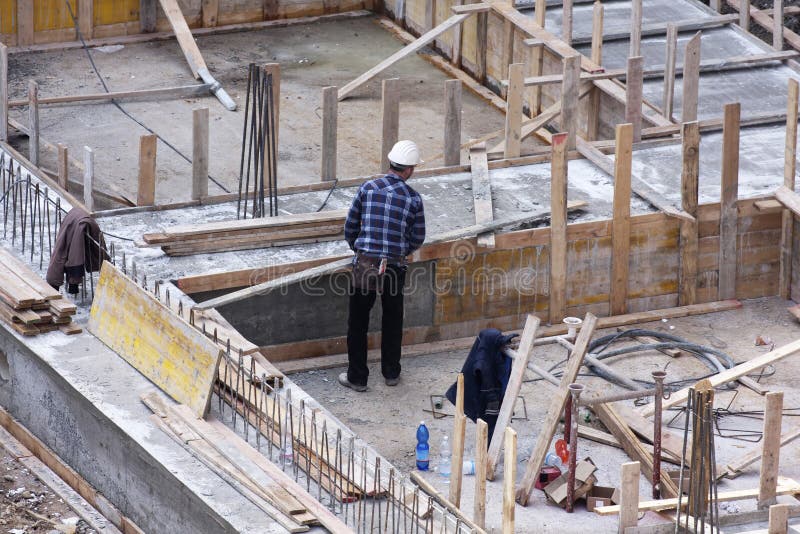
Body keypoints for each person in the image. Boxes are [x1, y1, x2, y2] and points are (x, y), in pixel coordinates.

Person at [338, 140, 426, 392]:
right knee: (393, 319)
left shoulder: (368, 188)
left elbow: (350, 227)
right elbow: (418, 237)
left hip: (366, 263)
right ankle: (391, 373)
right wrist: (400, 252)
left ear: (390, 162)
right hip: (395, 266)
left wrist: (360, 250)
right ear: (409, 169)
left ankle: (357, 378)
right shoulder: (413, 198)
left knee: (358, 321)